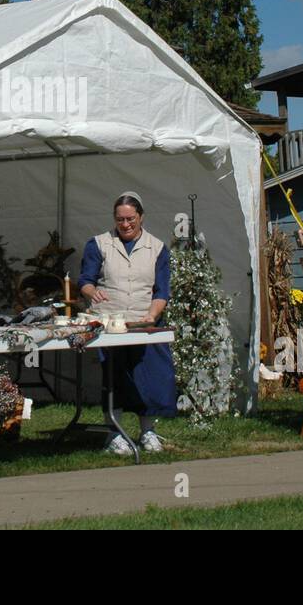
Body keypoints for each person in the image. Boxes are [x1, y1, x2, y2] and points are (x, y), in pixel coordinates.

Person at [78, 191, 177, 454]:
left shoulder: (157, 248)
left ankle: (148, 431)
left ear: (141, 217)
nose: (125, 224)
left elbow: (161, 290)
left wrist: (152, 316)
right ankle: (114, 435)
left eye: (130, 218)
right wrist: (91, 292)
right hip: (110, 324)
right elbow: (85, 279)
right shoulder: (98, 244)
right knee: (114, 378)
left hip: (144, 324)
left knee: (151, 377)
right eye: (120, 219)